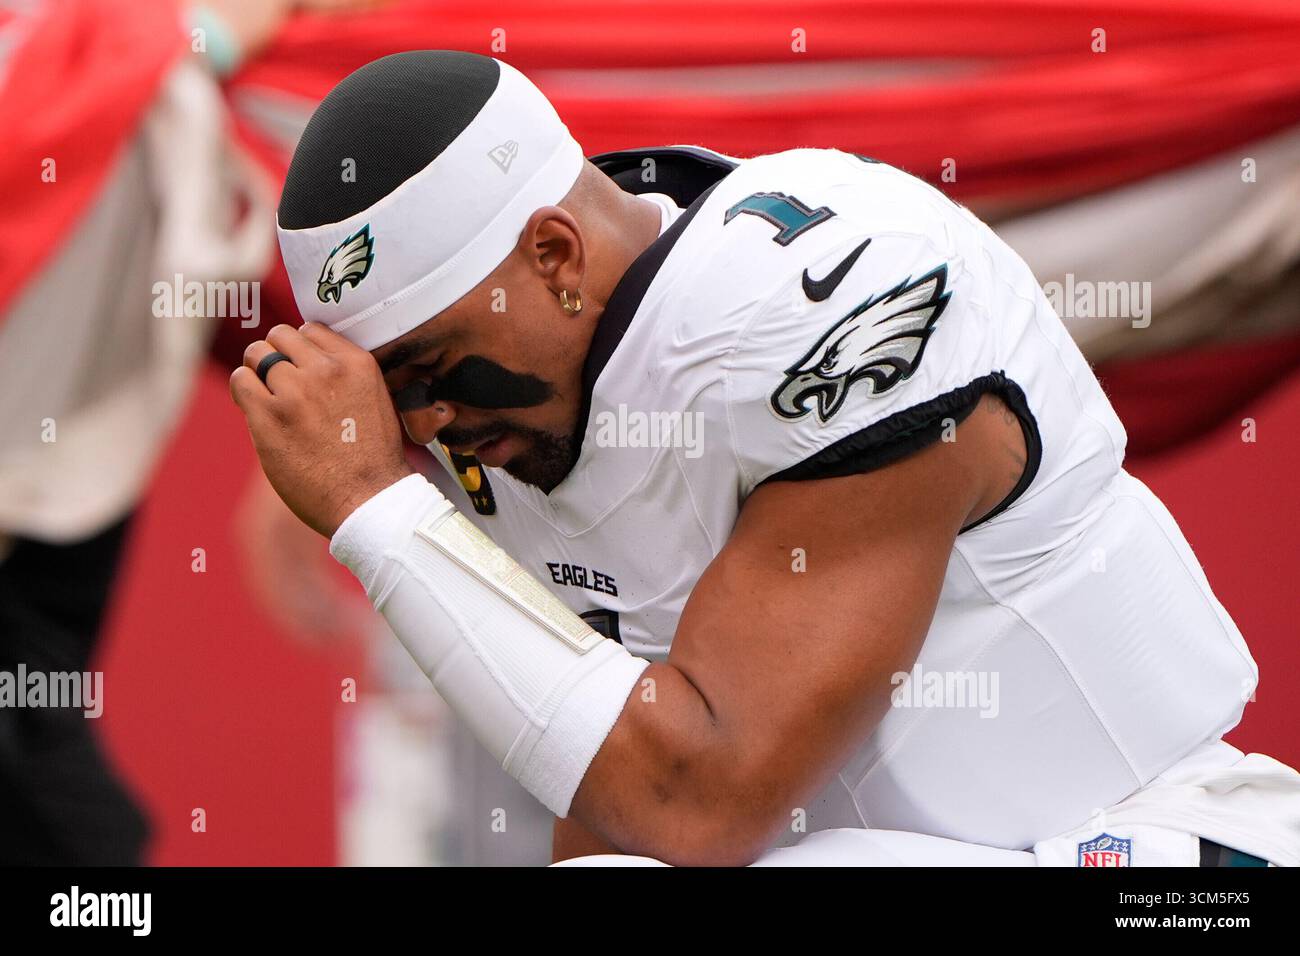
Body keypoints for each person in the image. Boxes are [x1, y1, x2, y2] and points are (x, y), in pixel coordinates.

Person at [231, 50, 1300, 866]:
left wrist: (374, 512)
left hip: (1157, 856)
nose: (422, 424)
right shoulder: (529, 397)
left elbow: (702, 798)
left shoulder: (809, 300)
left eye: (432, 366)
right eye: (389, 392)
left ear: (554, 255)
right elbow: (614, 811)